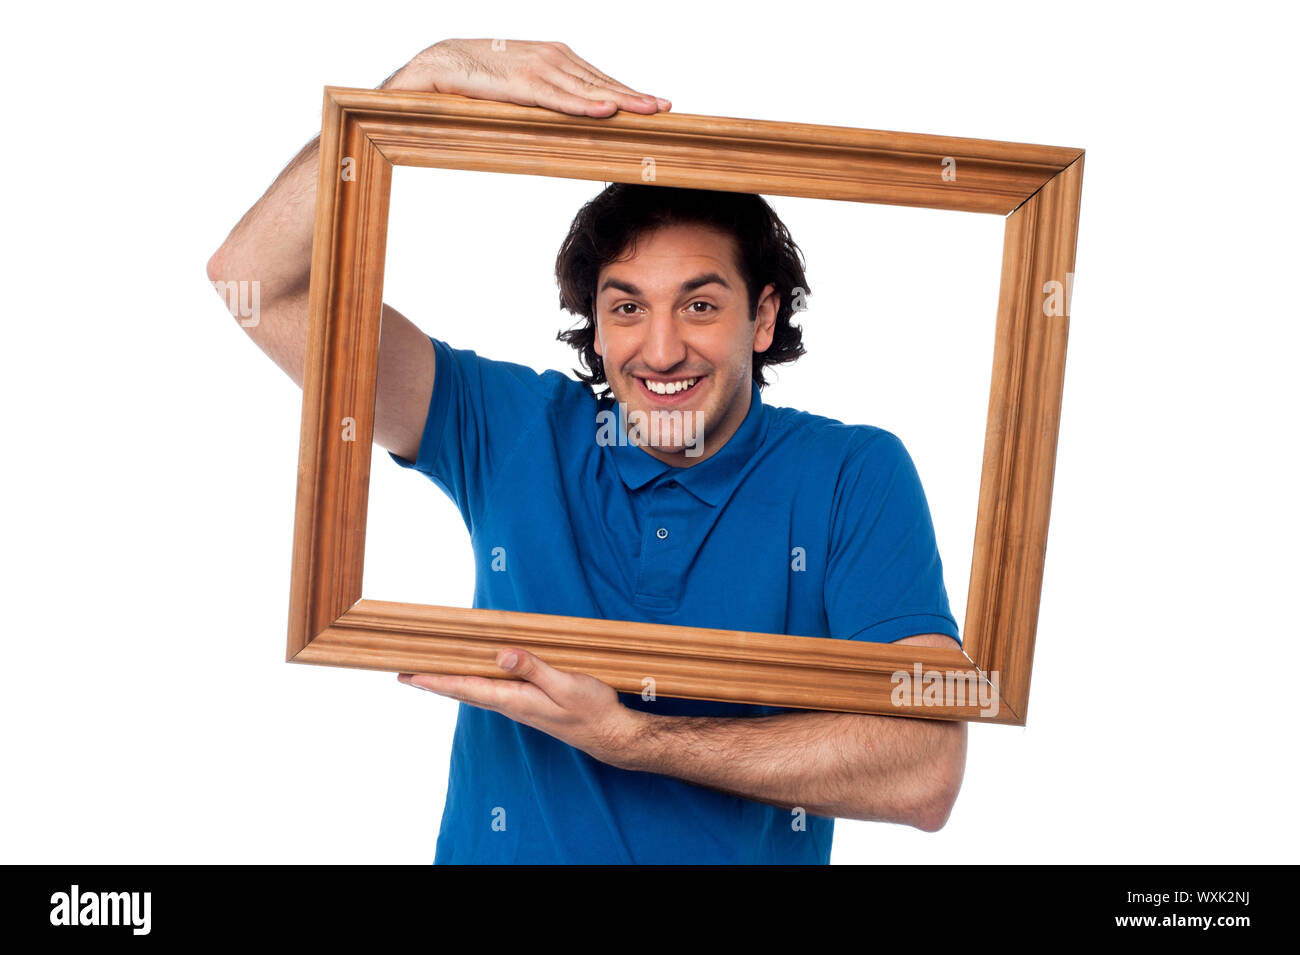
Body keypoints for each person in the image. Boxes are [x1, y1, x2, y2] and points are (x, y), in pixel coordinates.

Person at [207, 38, 967, 864]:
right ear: (596, 325)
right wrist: (409, 91)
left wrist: (629, 737)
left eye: (701, 305)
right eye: (628, 307)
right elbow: (257, 278)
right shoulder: (508, 426)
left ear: (762, 316)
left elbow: (924, 769)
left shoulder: (853, 474)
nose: (663, 348)